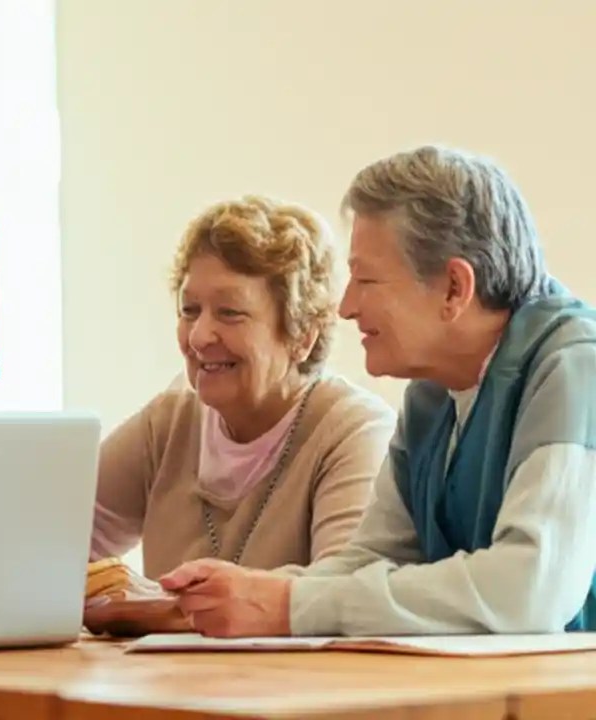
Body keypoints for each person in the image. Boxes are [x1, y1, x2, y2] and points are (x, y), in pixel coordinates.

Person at [161, 145, 596, 638]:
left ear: (455, 288)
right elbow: (375, 557)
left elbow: (530, 590)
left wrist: (287, 606)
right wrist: (244, 594)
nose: (346, 306)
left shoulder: (575, 367)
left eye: (365, 279)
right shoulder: (433, 394)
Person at [83, 195, 395, 636]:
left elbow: (341, 596)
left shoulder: (354, 430)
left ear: (303, 335)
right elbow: (43, 546)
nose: (199, 336)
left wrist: (162, 609)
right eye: (189, 310)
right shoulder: (169, 421)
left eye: (229, 313)